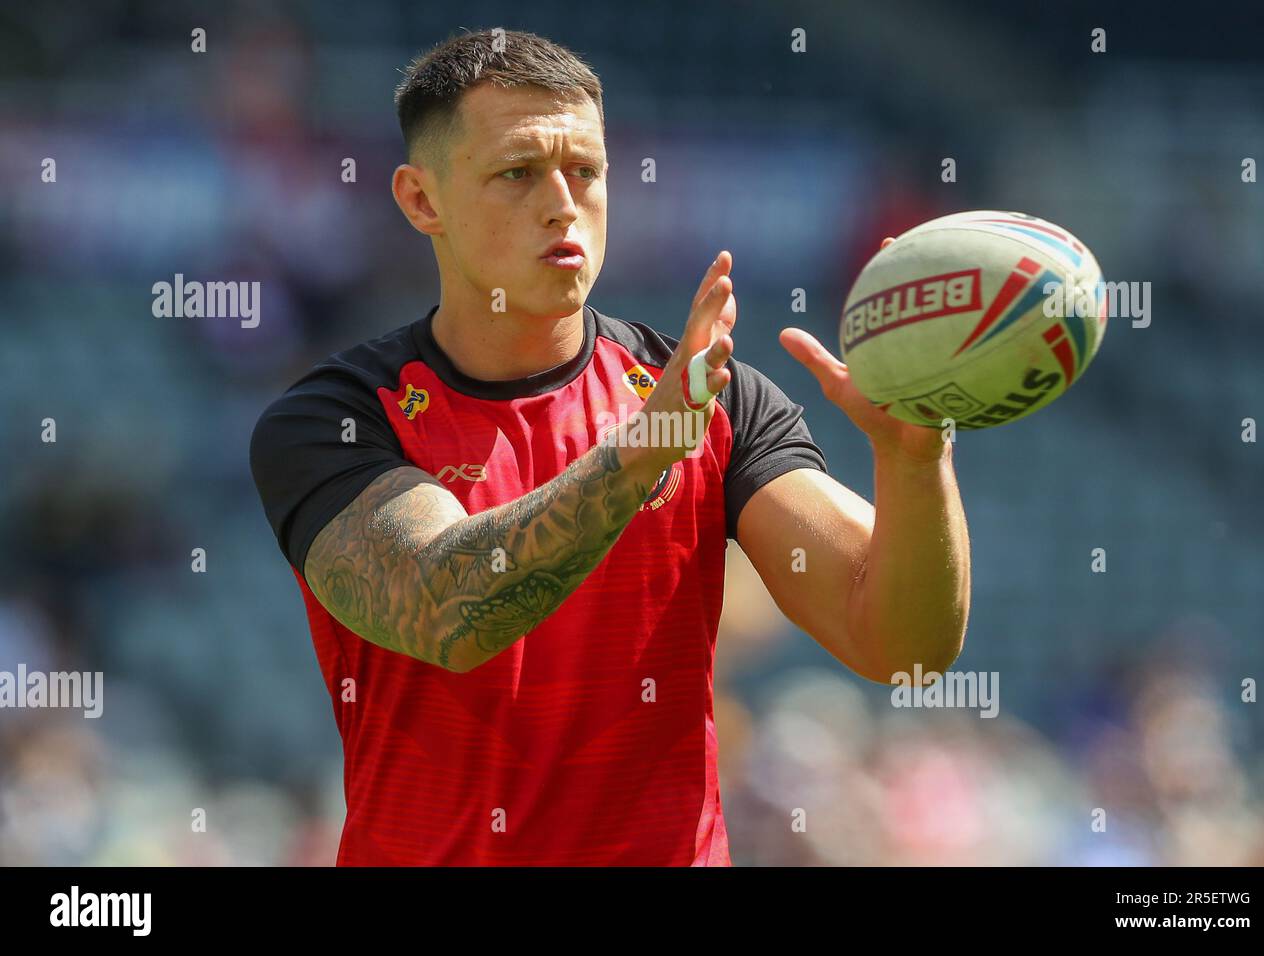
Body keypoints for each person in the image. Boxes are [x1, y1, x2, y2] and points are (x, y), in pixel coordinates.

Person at [249, 28, 970, 866]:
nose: (562, 202)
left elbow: (902, 646)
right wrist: (641, 452)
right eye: (518, 173)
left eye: (585, 172)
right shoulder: (336, 417)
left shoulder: (716, 395)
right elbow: (446, 609)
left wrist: (917, 464)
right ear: (422, 200)